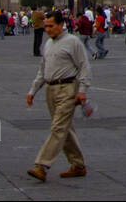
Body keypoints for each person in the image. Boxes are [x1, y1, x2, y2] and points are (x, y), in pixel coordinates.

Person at [25, 10, 91, 182]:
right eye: (45, 26)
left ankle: (42, 166)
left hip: (68, 89)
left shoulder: (72, 42)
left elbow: (84, 67)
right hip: (51, 90)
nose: (47, 29)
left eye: (51, 26)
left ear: (61, 25)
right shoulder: (48, 44)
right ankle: (78, 165)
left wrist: (82, 90)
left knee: (58, 128)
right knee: (65, 128)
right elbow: (42, 70)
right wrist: (33, 91)